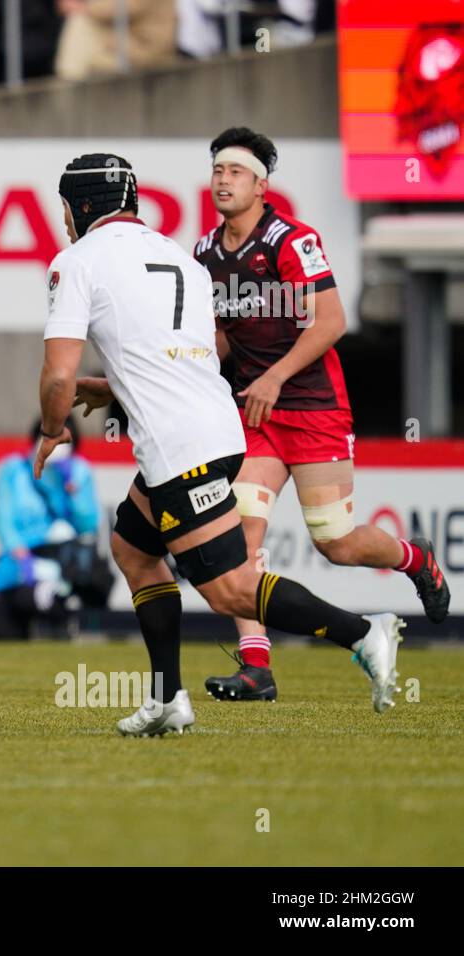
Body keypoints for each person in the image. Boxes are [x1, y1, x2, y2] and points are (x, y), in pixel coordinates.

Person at [37, 152, 406, 736]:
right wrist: (112, 388)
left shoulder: (76, 261)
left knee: (232, 591)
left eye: (64, 209)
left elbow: (57, 376)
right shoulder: (178, 256)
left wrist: (54, 426)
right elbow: (179, 356)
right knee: (133, 550)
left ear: (81, 207)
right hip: (216, 429)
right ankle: (166, 699)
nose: (62, 222)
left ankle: (364, 633)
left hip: (182, 448)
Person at [195, 127, 449, 702]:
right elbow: (223, 339)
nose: (223, 180)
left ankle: (417, 562)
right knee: (240, 541)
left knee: (336, 542)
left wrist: (276, 375)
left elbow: (331, 322)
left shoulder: (291, 240)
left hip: (312, 410)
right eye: (217, 171)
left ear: (262, 185)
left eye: (235, 172)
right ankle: (257, 669)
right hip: (255, 417)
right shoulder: (205, 252)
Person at [0, 414, 103, 639]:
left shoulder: (79, 471)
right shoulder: (13, 470)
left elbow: (88, 526)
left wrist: (71, 487)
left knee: (54, 604)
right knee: (0, 608)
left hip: (62, 562)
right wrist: (22, 558)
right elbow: (4, 520)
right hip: (21, 561)